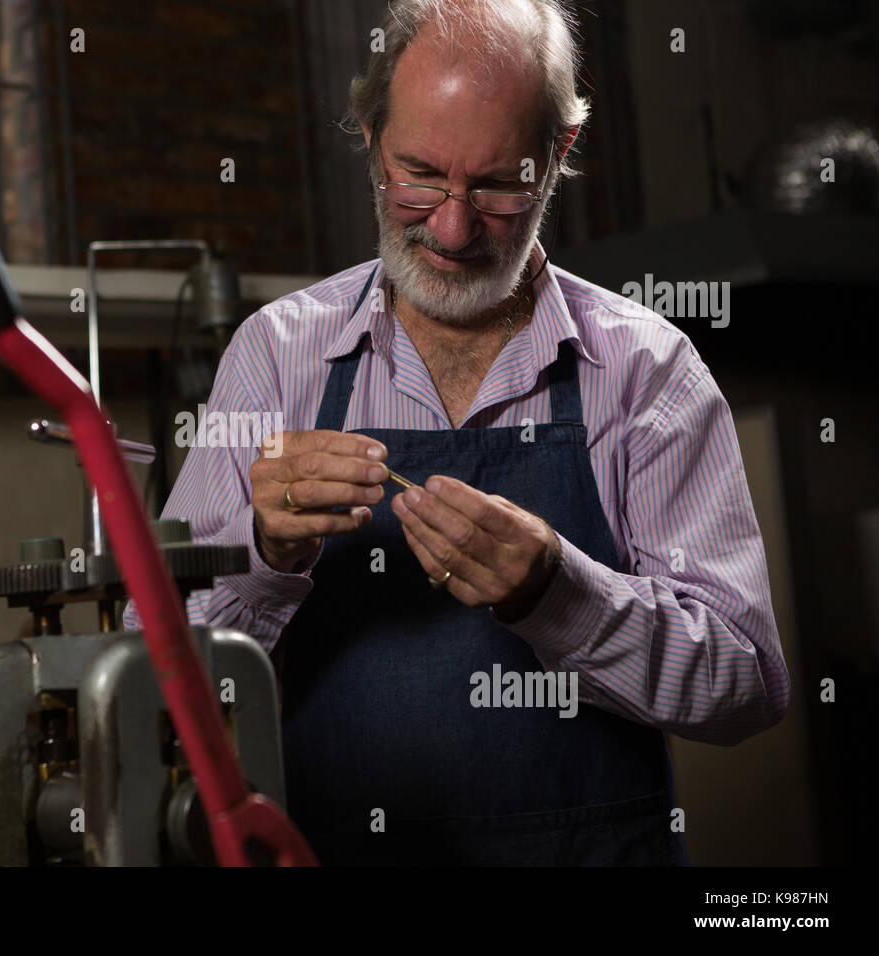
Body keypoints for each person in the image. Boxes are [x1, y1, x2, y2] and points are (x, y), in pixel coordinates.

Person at [125, 0, 789, 865]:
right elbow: (157, 685)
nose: (451, 227)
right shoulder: (277, 357)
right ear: (370, 138)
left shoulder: (645, 371)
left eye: (498, 185)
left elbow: (745, 683)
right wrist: (263, 554)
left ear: (559, 156)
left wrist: (559, 593)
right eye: (421, 175)